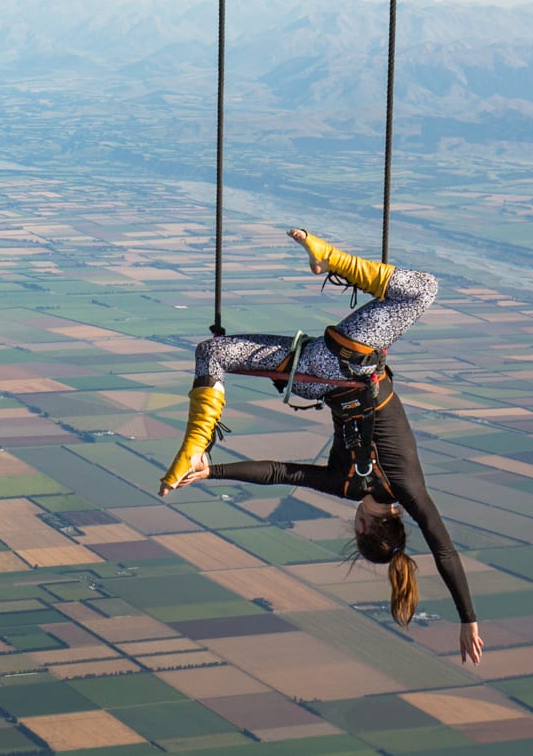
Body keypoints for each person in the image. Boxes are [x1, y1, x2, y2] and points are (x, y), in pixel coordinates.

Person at [159, 229, 483, 665]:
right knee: (212, 353)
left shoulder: (409, 487)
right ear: (363, 528)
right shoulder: (345, 485)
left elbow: (444, 549)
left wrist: (470, 618)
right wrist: (212, 472)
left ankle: (330, 257)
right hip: (313, 378)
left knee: (424, 289)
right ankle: (194, 450)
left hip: (346, 358)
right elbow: (280, 473)